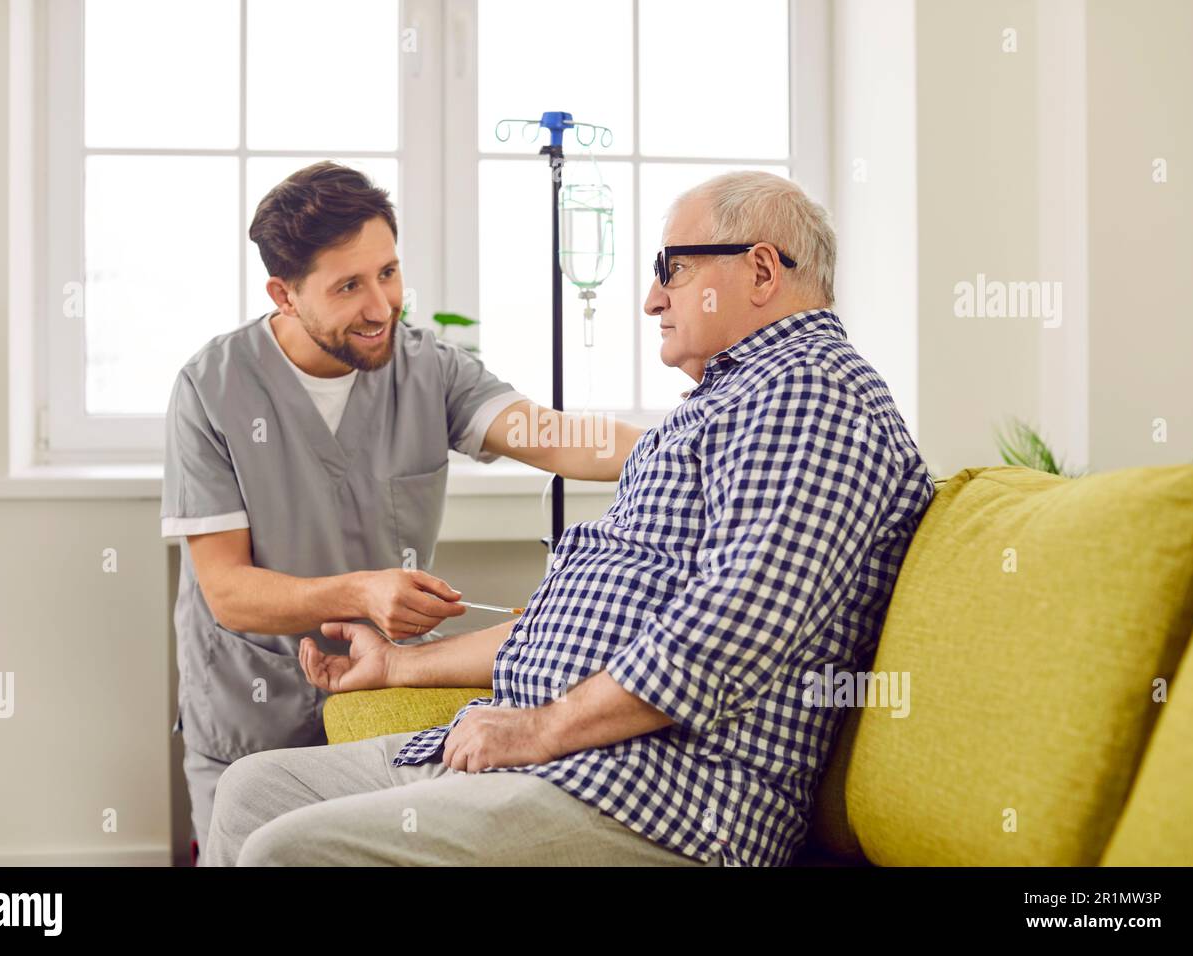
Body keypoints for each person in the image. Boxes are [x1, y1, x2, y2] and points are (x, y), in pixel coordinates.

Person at [204, 170, 936, 867]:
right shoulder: (723, 410)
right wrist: (401, 663)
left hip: (655, 793)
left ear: (763, 272)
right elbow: (586, 621)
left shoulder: (810, 395)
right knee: (251, 792)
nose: (652, 298)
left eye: (671, 268)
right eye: (350, 284)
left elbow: (739, 620)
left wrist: (539, 727)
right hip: (569, 761)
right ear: (285, 294)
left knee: (283, 852)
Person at [162, 161, 642, 862]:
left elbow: (551, 436)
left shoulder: (427, 369)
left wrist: (684, 446)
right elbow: (228, 591)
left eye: (388, 272)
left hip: (378, 709)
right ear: (284, 294)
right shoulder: (211, 391)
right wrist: (361, 590)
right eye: (349, 286)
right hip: (249, 706)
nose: (382, 306)